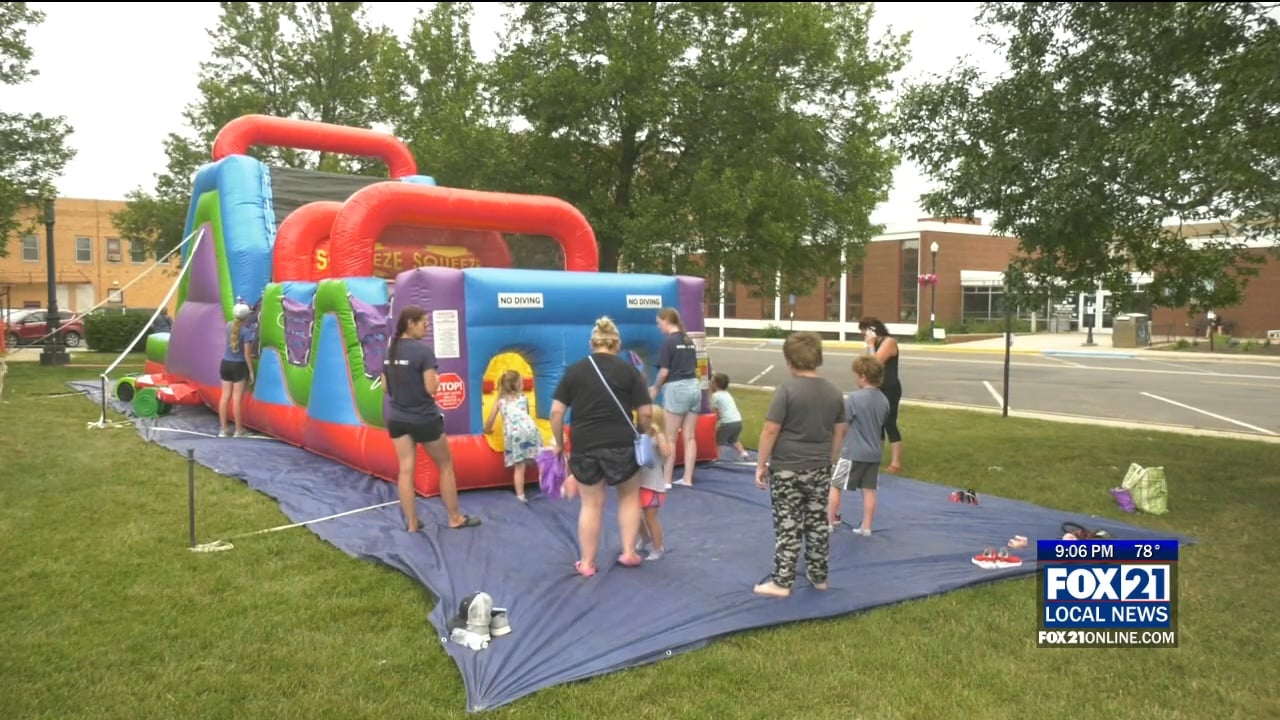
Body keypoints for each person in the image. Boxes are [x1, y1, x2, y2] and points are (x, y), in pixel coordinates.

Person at [551, 316, 653, 577]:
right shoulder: (629, 372)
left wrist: (560, 445)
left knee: (591, 504)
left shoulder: (574, 371)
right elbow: (647, 413)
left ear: (592, 343)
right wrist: (641, 433)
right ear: (617, 344)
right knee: (629, 498)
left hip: (585, 444)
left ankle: (587, 563)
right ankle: (629, 551)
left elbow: (556, 412)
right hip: (621, 442)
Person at [754, 332, 847, 598]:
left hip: (787, 468)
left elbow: (771, 430)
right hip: (819, 467)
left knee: (788, 524)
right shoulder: (833, 392)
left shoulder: (786, 391)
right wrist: (829, 457)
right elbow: (840, 431)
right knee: (818, 521)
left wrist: (761, 464)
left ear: (789, 360)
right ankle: (819, 577)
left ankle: (782, 582)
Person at [382, 305, 480, 533]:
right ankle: (455, 518)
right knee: (445, 466)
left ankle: (412, 524)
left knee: (406, 470)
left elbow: (386, 388)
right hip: (424, 419)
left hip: (397, 419)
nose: (426, 329)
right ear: (411, 324)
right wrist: (435, 381)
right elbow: (430, 389)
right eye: (424, 324)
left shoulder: (389, 351)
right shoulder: (423, 352)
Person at [829, 355, 891, 536]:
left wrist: (835, 449)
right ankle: (866, 527)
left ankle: (829, 521)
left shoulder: (854, 398)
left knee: (835, 485)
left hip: (853, 452)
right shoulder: (884, 400)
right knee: (869, 489)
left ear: (863, 376)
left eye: (857, 375)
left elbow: (843, 426)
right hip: (874, 453)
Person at [650, 307, 701, 487]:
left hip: (677, 388)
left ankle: (667, 479)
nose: (658, 327)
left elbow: (664, 371)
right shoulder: (688, 341)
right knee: (690, 436)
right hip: (694, 386)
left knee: (670, 436)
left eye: (658, 323)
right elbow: (694, 366)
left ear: (665, 321)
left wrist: (656, 387)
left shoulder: (668, 342)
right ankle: (687, 478)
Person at [483, 369, 542, 503]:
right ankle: (546, 482)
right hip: (530, 429)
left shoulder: (500, 402)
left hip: (515, 433)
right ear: (518, 385)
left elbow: (491, 420)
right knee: (537, 458)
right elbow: (526, 414)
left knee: (519, 467)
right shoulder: (524, 398)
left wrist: (487, 430)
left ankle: (521, 496)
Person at [859, 317, 903, 473]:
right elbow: (866, 365)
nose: (864, 336)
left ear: (872, 330)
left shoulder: (889, 342)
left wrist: (870, 345)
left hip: (889, 388)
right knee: (876, 425)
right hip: (877, 388)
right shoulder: (874, 344)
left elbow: (874, 365)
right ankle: (874, 459)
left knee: (889, 423)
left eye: (865, 332)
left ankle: (896, 463)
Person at [218, 302, 256, 438]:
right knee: (236, 399)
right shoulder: (247, 332)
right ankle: (239, 430)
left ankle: (223, 429)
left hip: (225, 364)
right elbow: (247, 355)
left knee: (225, 397)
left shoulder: (228, 326)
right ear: (247, 317)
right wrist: (251, 372)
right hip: (239, 366)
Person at [635, 425, 671, 560]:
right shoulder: (640, 437)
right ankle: (645, 538)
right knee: (633, 515)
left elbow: (667, 453)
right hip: (638, 484)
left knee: (651, 518)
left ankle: (658, 547)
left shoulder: (656, 440)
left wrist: (659, 433)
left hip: (653, 486)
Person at [710, 372, 749, 460]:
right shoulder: (727, 394)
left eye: (712, 382)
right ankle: (743, 453)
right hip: (738, 421)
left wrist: (713, 424)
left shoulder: (715, 396)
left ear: (716, 384)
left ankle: (716, 458)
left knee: (717, 441)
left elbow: (715, 414)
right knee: (734, 440)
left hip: (727, 423)